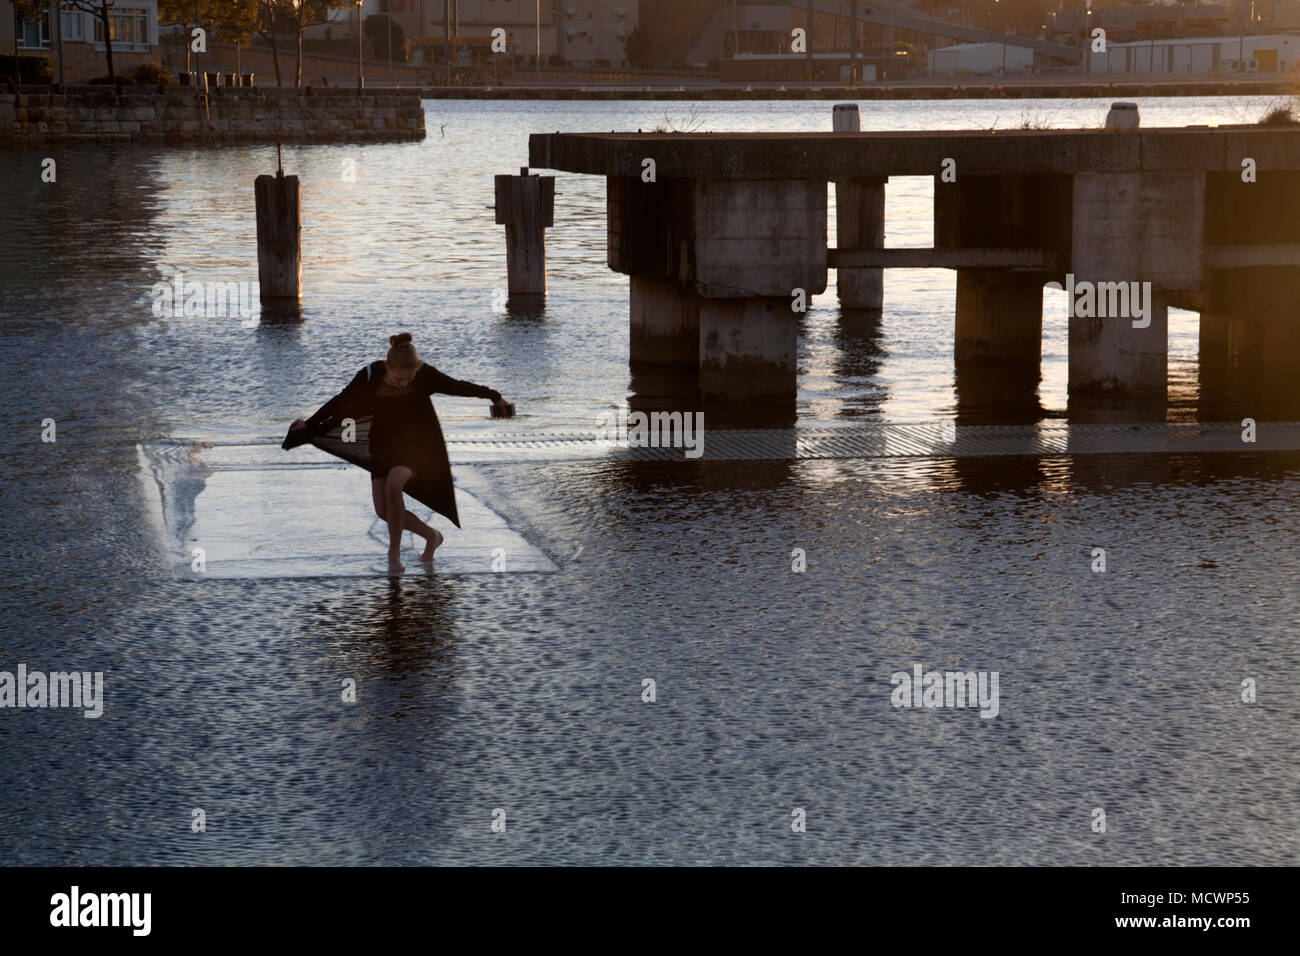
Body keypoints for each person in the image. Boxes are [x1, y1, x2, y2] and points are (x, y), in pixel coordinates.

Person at [284, 333, 513, 574]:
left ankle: (393, 555)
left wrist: (494, 395)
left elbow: (456, 386)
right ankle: (432, 536)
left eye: (409, 378)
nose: (405, 383)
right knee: (384, 511)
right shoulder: (370, 375)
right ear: (388, 368)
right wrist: (309, 425)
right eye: (399, 378)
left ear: (416, 369)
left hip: (417, 446)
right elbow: (342, 402)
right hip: (381, 446)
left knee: (394, 486)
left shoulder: (423, 375)